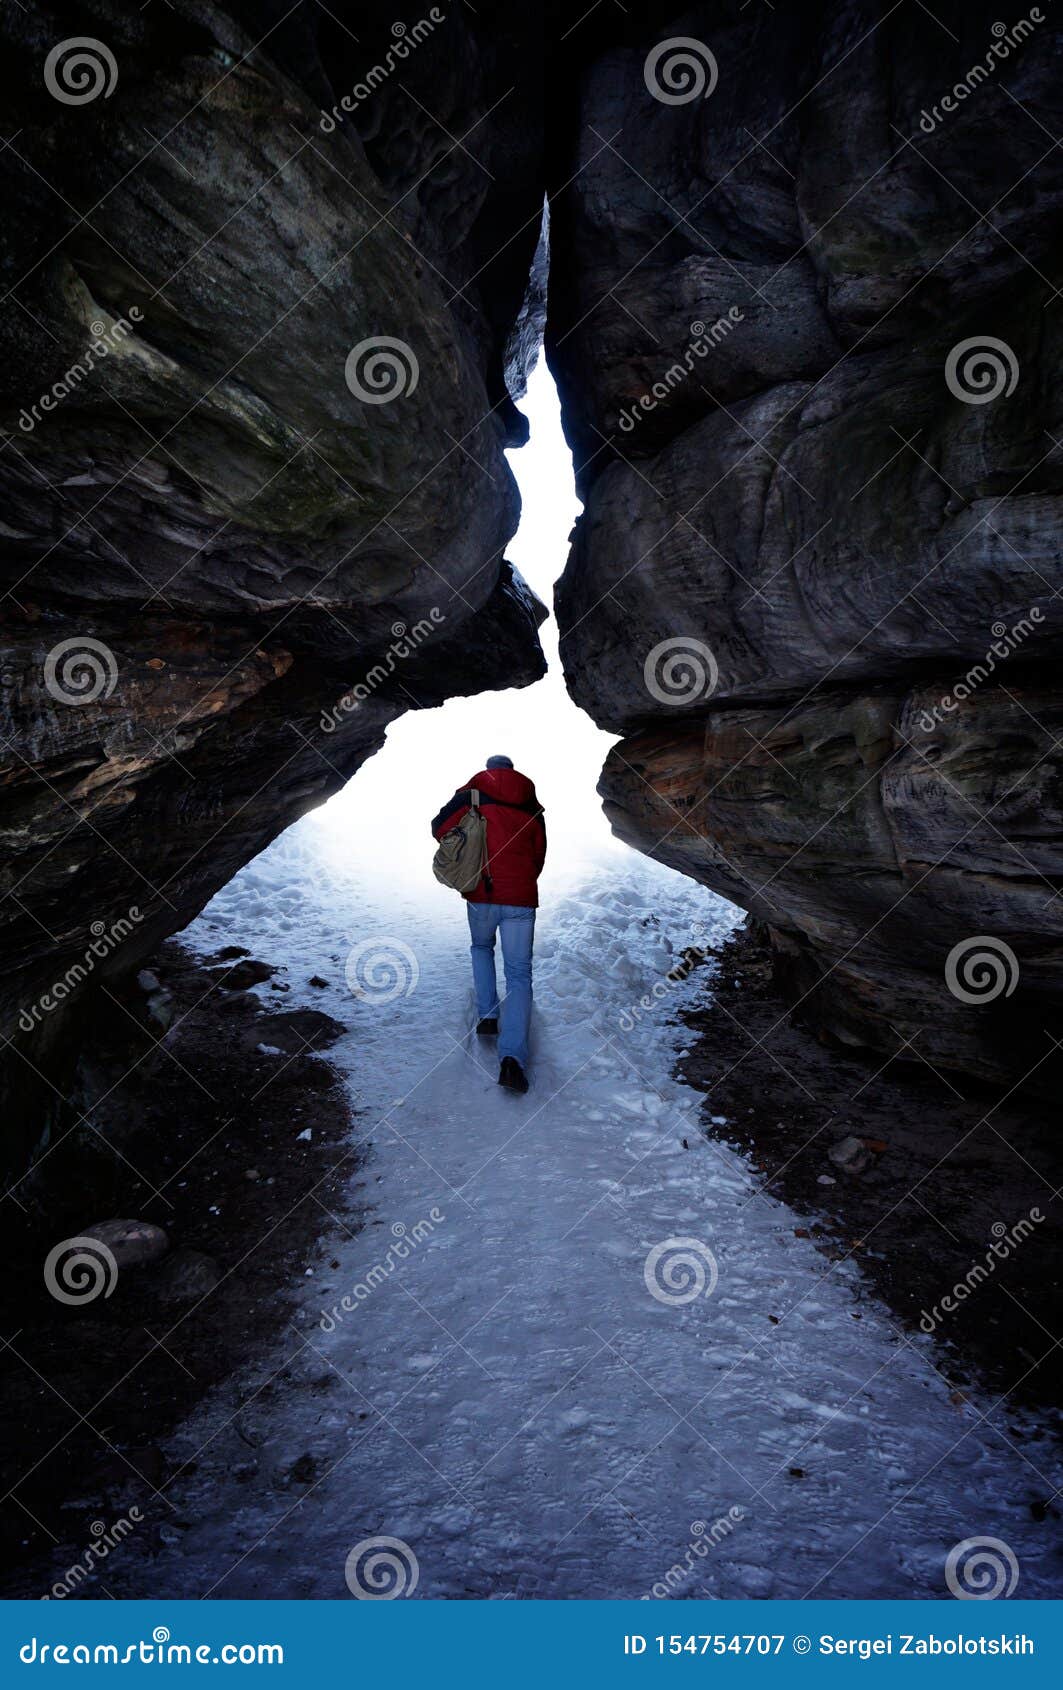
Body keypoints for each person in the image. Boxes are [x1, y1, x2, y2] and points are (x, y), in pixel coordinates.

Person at [431, 755, 546, 1093]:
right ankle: (512, 1059)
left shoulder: (473, 793)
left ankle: (487, 1016)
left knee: (481, 947)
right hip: (521, 899)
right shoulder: (532, 804)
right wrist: (520, 883)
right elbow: (538, 855)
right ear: (513, 772)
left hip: (481, 892)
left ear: (489, 769)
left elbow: (439, 828)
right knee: (519, 974)